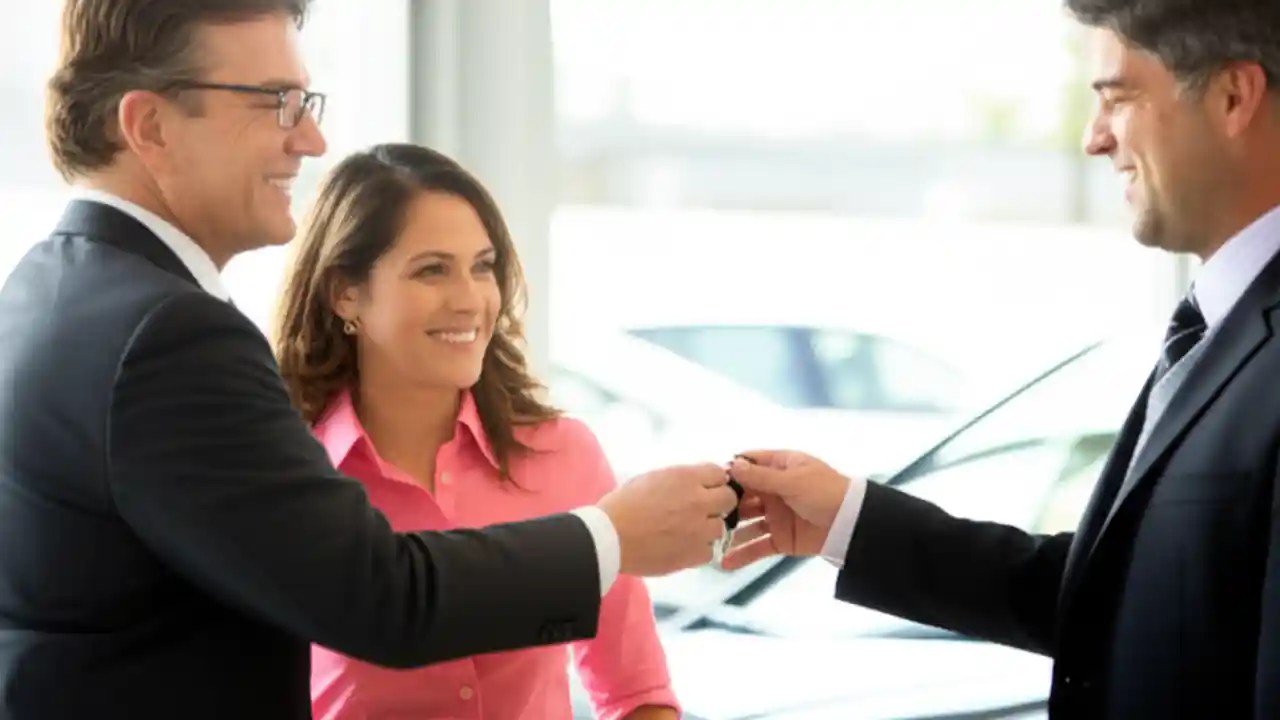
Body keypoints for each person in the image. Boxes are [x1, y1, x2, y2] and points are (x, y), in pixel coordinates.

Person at [0, 2, 735, 718]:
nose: (312, 139)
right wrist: (614, 534)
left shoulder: (46, 291)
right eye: (277, 103)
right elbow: (384, 599)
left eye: (482, 266)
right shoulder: (170, 334)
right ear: (150, 126)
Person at [722, 1, 1280, 718]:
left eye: (1118, 97)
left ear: (1235, 97)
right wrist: (848, 520)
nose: (1093, 138)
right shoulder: (1216, 326)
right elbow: (1112, 599)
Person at [273, 143, 679, 720]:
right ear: (346, 292)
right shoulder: (288, 475)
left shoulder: (563, 456)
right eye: (432, 269)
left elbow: (638, 694)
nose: (469, 300)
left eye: (482, 266)